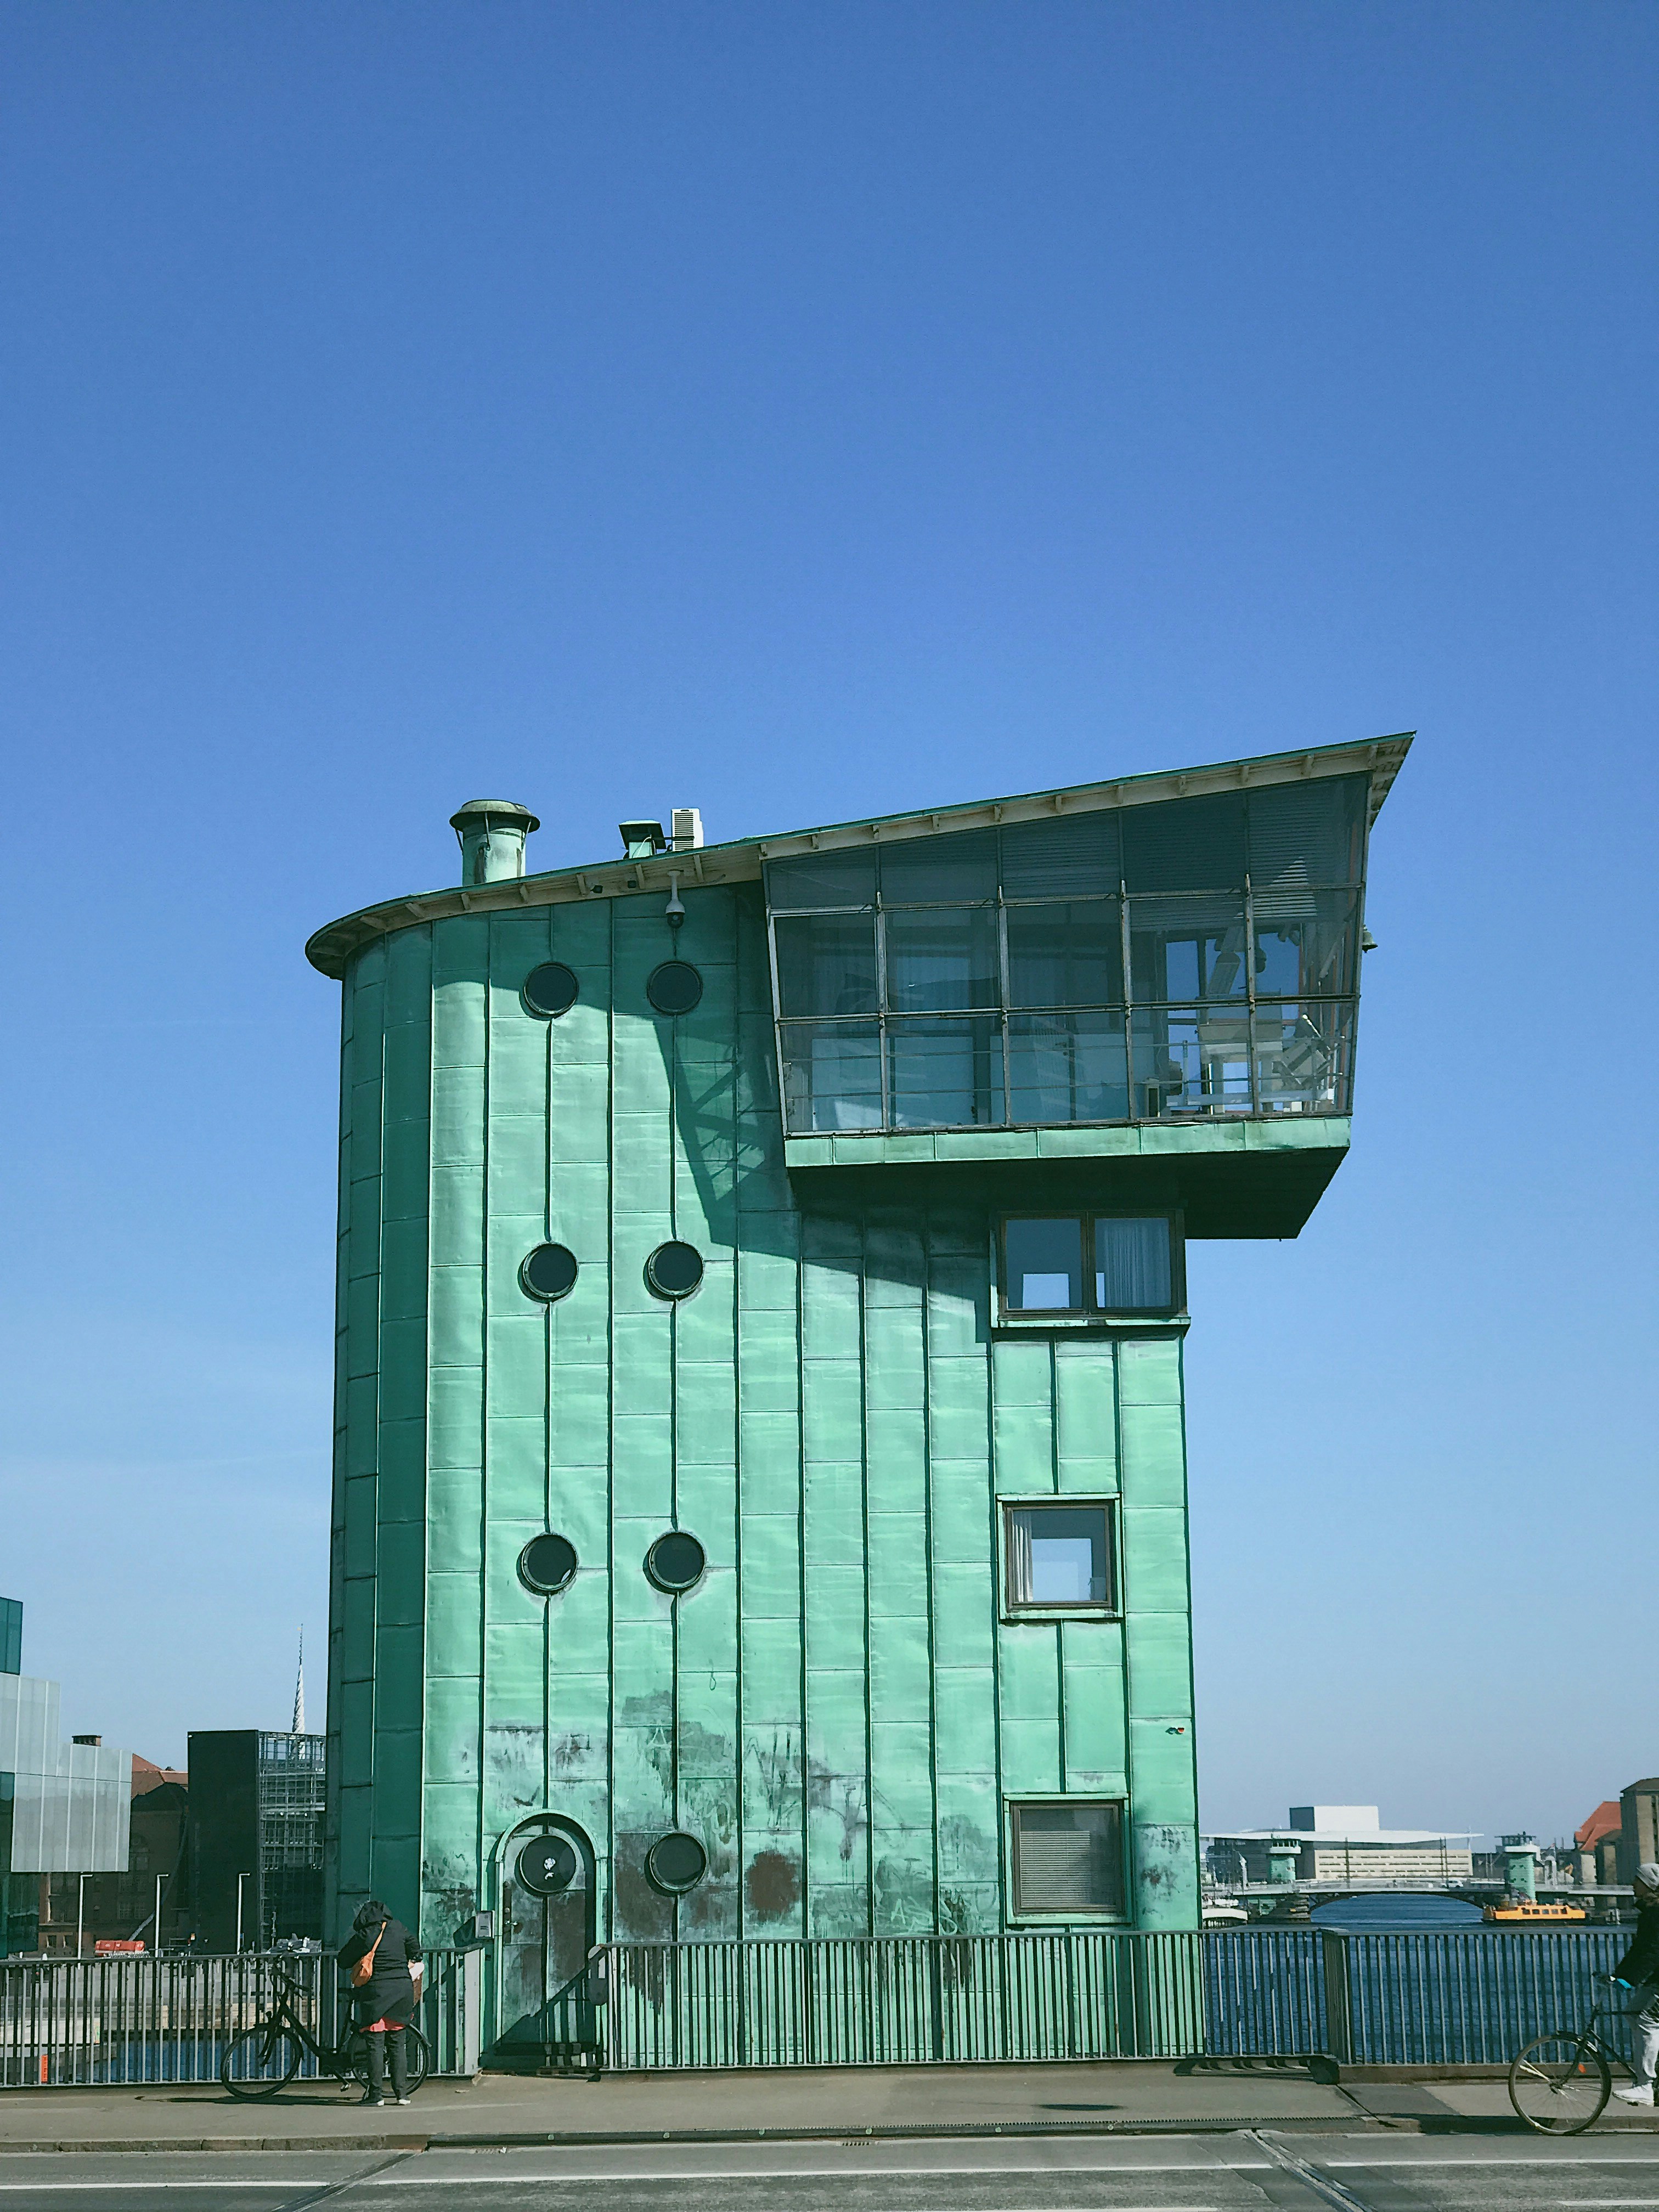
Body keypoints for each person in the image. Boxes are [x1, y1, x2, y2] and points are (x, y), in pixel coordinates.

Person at [337, 1897, 422, 2107]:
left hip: (377, 1994)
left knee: (375, 2044)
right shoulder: (399, 1928)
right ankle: (402, 2094)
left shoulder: (366, 1934)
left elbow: (343, 1960)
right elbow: (416, 1949)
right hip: (402, 1992)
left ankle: (376, 2095)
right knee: (397, 2044)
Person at [1612, 1861, 1659, 2108]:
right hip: (1656, 1980)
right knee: (1633, 2013)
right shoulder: (1650, 1910)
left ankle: (1646, 2085)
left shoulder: (1656, 1911)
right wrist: (1618, 1975)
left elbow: (1653, 1952)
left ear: (1649, 1884)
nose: (1633, 1884)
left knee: (1646, 2019)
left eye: (1637, 1880)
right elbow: (1639, 1950)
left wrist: (1630, 1980)